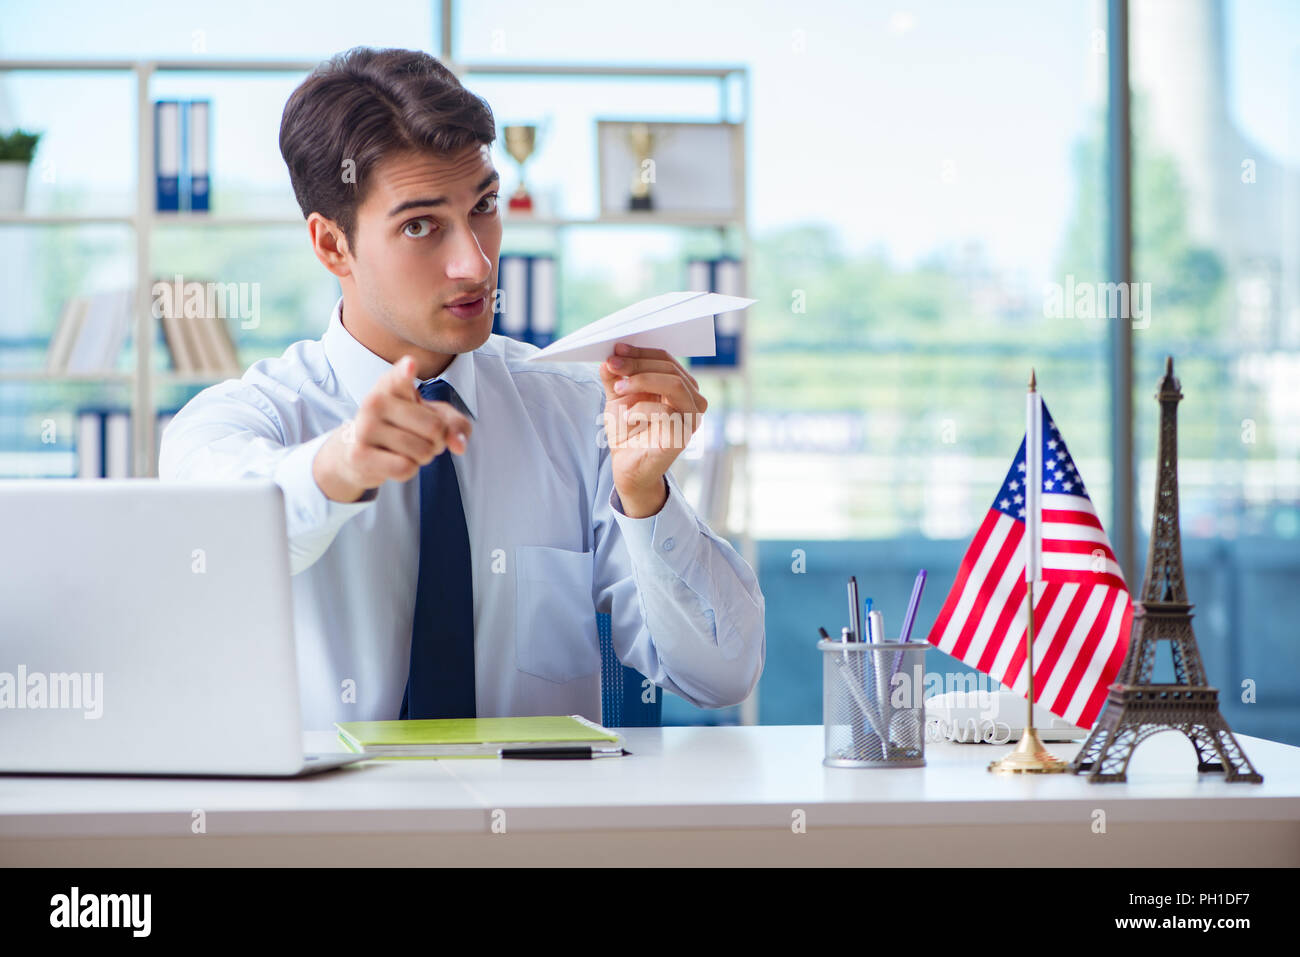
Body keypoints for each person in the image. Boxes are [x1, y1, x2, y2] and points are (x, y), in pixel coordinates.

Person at [158, 46, 765, 729]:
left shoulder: (573, 412)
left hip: (535, 830)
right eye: (421, 225)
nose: (474, 263)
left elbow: (723, 674)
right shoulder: (245, 419)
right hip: (326, 834)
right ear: (332, 246)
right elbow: (221, 531)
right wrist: (339, 467)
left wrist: (646, 497)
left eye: (482, 207)